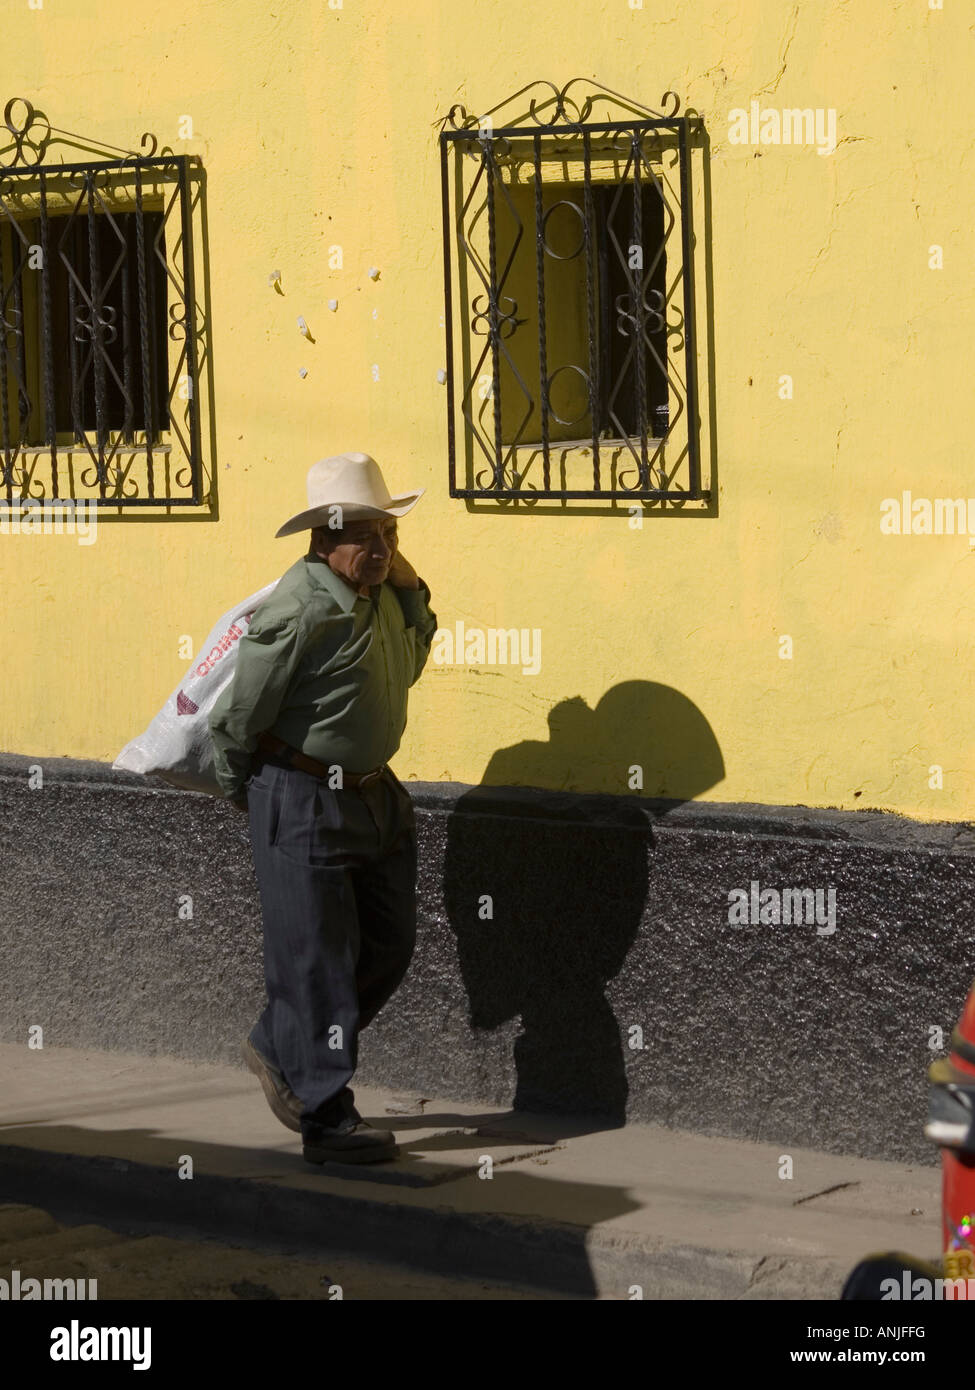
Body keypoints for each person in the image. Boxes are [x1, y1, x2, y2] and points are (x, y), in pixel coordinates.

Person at [208, 452, 437, 1165]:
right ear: (322, 539)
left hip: (375, 797)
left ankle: (283, 1046)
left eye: (388, 533)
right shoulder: (299, 610)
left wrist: (407, 584)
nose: (381, 548)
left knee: (389, 946)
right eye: (363, 536)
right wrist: (252, 795)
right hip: (301, 794)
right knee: (315, 963)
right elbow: (239, 717)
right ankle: (326, 1116)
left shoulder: (382, 594)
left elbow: (412, 657)